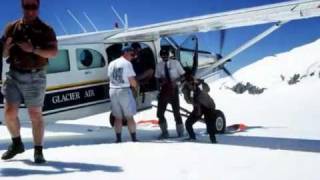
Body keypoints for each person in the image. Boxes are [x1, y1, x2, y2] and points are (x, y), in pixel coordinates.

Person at [1, 0, 58, 164]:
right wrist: (6, 48)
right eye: (27, 6)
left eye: (34, 6)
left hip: (35, 77)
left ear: (38, 7)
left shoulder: (46, 29)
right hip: (14, 75)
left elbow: (53, 53)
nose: (30, 10)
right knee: (9, 114)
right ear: (22, 6)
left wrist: (32, 49)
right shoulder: (12, 27)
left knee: (35, 115)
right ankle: (17, 144)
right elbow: (4, 55)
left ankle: (38, 150)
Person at [108, 46, 138, 143]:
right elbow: (132, 80)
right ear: (126, 53)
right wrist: (136, 87)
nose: (133, 57)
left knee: (118, 117)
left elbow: (110, 77)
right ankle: (133, 138)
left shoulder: (111, 63)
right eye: (132, 54)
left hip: (112, 90)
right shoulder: (127, 63)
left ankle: (118, 139)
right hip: (124, 90)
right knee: (129, 116)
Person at [155, 48, 185, 139]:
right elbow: (157, 78)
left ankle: (180, 132)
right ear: (161, 56)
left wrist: (176, 81)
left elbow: (183, 75)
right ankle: (164, 132)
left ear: (169, 55)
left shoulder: (175, 63)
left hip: (174, 90)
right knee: (160, 113)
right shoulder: (159, 65)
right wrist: (160, 83)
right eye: (163, 55)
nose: (165, 57)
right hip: (164, 90)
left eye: (166, 55)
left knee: (176, 112)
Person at [181, 71, 217, 143]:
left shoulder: (199, 83)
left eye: (191, 78)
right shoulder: (186, 88)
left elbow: (207, 89)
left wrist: (200, 83)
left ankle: (213, 140)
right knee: (188, 123)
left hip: (208, 106)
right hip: (199, 107)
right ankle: (192, 137)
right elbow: (188, 100)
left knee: (209, 123)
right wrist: (190, 93)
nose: (190, 80)